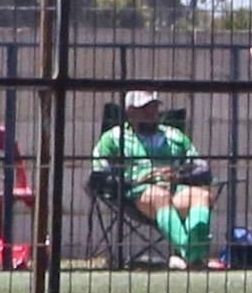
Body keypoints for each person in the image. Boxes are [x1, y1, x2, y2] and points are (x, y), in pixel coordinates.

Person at [85, 88, 225, 267]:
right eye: (144, 108)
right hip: (137, 194)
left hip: (175, 189)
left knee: (201, 196)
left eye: (154, 107)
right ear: (129, 111)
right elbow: (98, 176)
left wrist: (179, 177)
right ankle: (193, 256)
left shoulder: (174, 136)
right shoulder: (113, 138)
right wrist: (135, 181)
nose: (151, 112)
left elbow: (203, 170)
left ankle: (188, 255)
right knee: (159, 196)